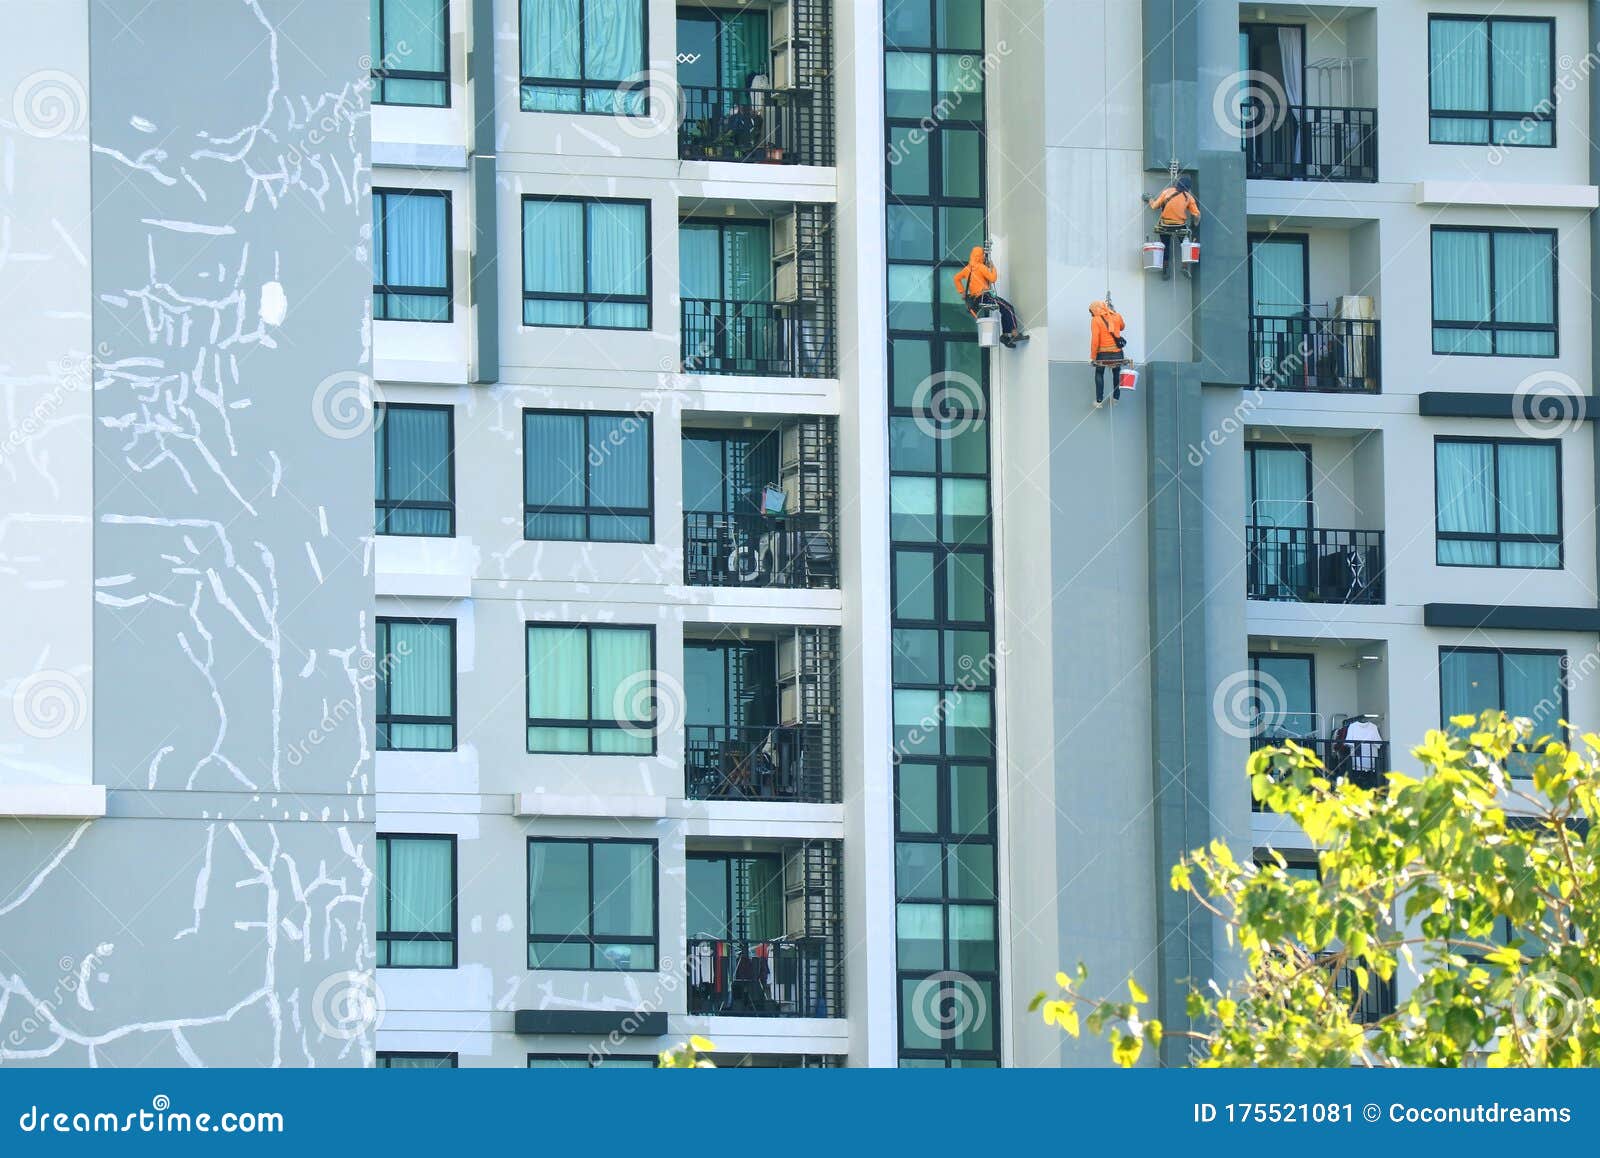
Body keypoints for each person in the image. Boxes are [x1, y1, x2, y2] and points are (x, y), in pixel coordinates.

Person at [953, 245, 1028, 346]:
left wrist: (962, 292)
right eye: (982, 255)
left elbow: (956, 278)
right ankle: (1014, 333)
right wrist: (992, 268)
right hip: (985, 296)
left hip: (977, 299)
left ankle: (1005, 336)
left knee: (1003, 309)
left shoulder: (968, 269)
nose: (984, 257)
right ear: (979, 256)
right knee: (1008, 308)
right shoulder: (981, 267)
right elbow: (992, 279)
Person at [1145, 175, 1200, 279]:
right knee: (1186, 246)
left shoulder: (1167, 192)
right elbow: (1197, 215)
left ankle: (1165, 270)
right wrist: (1195, 224)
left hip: (1165, 225)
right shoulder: (1189, 197)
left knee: (1165, 247)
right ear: (1188, 187)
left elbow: (1154, 206)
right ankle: (1184, 267)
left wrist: (1149, 199)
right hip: (1180, 226)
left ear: (1177, 183)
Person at [1088, 299, 1127, 406]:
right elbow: (1123, 327)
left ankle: (1099, 400)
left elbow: (1095, 340)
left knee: (1099, 373)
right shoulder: (1117, 316)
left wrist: (1093, 356)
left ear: (1095, 310)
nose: (1092, 314)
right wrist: (1113, 315)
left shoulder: (1096, 320)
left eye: (1092, 312)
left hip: (1103, 354)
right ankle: (1116, 398)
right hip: (1117, 353)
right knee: (1116, 373)